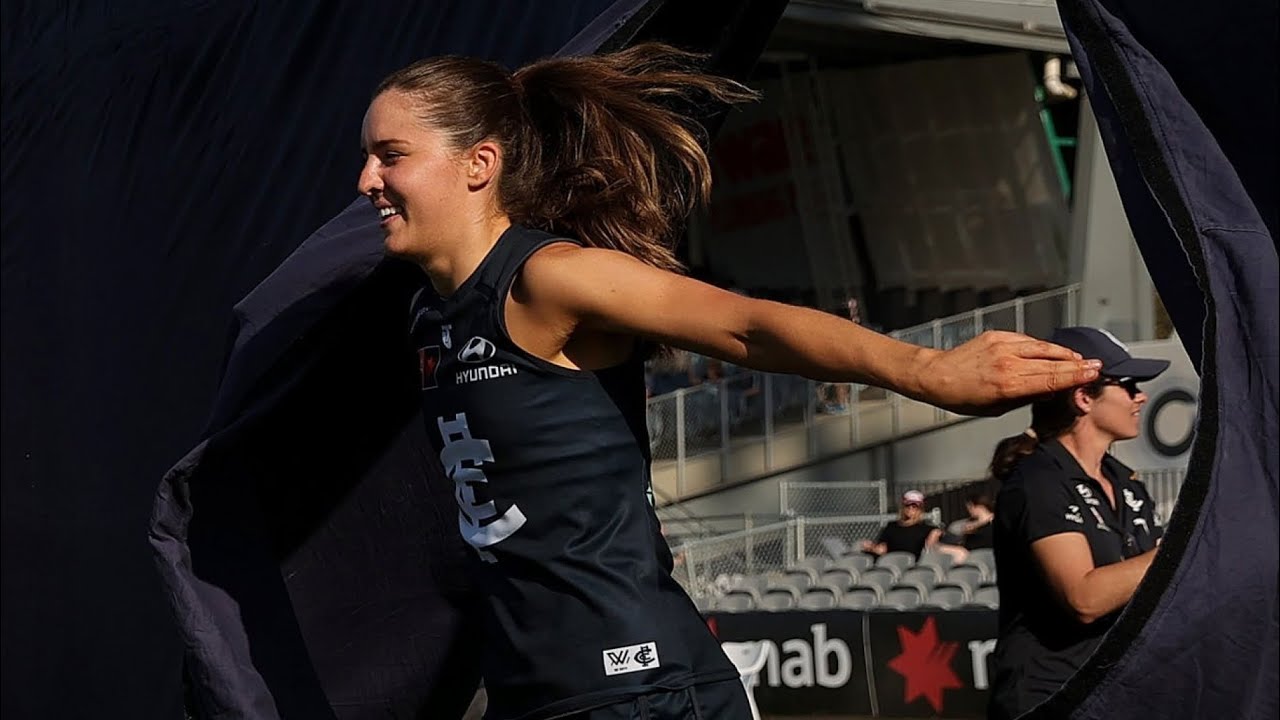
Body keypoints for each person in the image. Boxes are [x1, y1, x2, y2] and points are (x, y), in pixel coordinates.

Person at [357, 43, 1103, 720]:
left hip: (639, 689)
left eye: (392, 155)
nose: (368, 180)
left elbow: (744, 325)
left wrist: (924, 368)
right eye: (367, 157)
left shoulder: (549, 278)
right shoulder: (429, 315)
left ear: (478, 164)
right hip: (528, 694)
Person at [987, 327, 1167, 720]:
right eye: (1129, 384)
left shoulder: (1126, 481)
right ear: (1083, 397)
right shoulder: (1038, 482)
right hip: (1049, 697)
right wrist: (1178, 550)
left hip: (1117, 692)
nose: (1141, 396)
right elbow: (1084, 599)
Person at [860, 490, 942, 559]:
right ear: (903, 507)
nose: (911, 508)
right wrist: (872, 547)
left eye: (915, 506)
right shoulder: (891, 527)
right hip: (891, 563)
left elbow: (943, 540)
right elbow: (881, 548)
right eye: (908, 505)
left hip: (911, 566)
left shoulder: (927, 529)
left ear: (920, 509)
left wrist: (936, 534)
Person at [935, 491, 995, 563]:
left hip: (981, 553)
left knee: (959, 553)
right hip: (971, 551)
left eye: (970, 507)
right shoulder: (971, 522)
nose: (969, 510)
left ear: (976, 506)